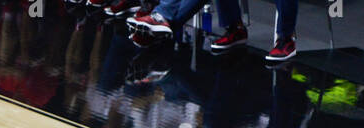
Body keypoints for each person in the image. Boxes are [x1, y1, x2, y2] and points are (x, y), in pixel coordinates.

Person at [129, 0, 300, 64]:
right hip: (244, 125)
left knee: (211, 122)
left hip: (256, 125)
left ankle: (287, 39)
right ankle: (236, 29)